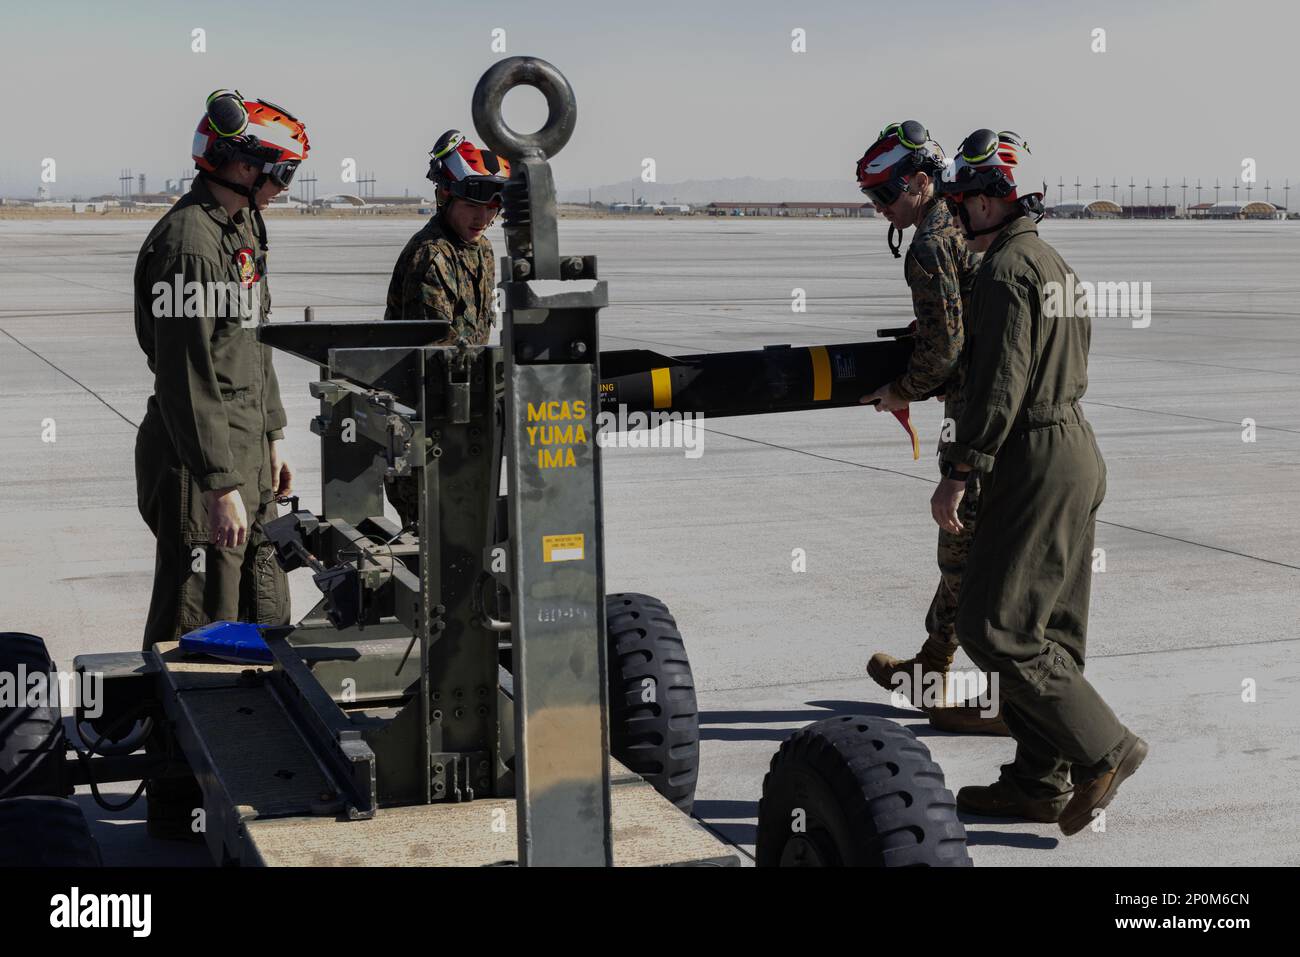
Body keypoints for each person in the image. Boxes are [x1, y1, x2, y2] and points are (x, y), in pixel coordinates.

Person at [932, 129, 1147, 833]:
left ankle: (1104, 748)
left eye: (964, 202)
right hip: (1076, 448)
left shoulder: (1002, 272)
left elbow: (1001, 386)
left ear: (998, 199)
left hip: (1034, 452)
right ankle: (1036, 781)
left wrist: (961, 469)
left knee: (993, 627)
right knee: (1052, 628)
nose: (957, 215)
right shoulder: (1052, 262)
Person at [132, 89, 307, 836]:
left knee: (260, 618)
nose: (283, 188)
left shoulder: (242, 228)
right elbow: (186, 376)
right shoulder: (189, 244)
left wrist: (271, 436)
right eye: (280, 172)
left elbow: (253, 343)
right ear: (236, 163)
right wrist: (218, 483)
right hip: (198, 462)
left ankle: (246, 788)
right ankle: (175, 806)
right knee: (195, 628)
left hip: (242, 455)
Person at [856, 121, 1005, 734]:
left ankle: (1002, 697)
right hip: (993, 408)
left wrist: (900, 388)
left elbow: (944, 350)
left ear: (920, 183)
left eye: (884, 197)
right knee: (966, 551)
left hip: (976, 420)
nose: (880, 210)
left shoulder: (928, 245)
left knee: (966, 551)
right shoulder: (965, 225)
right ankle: (934, 665)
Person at [383, 129, 510, 526]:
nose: (483, 217)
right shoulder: (432, 257)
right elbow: (439, 353)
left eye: (492, 206)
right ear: (446, 196)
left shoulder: (481, 250)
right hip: (425, 430)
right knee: (431, 542)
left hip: (465, 425)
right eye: (473, 204)